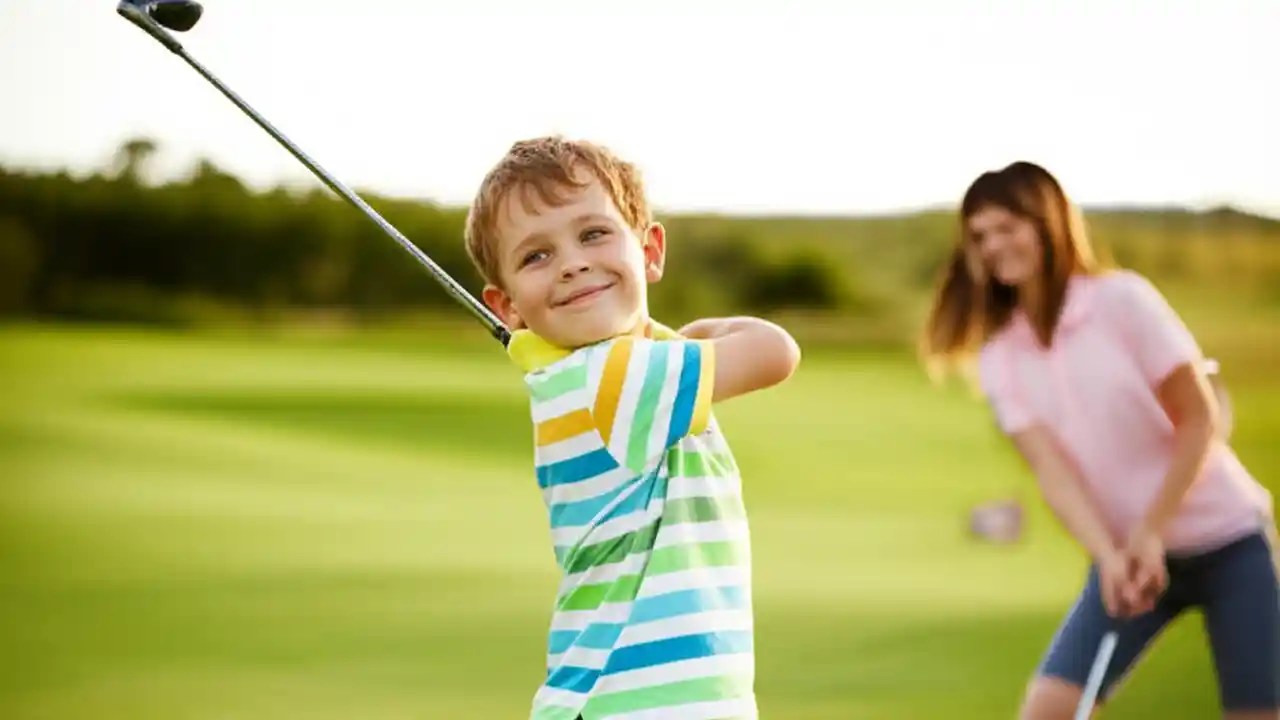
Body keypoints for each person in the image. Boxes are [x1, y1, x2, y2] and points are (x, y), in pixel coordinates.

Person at [921, 161, 1278, 719]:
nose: (993, 246)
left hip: (1228, 543)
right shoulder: (1000, 355)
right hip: (1125, 557)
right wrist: (1110, 556)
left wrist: (1151, 530)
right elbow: (1051, 472)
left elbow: (1200, 419)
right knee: (1047, 712)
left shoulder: (1123, 301)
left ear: (1048, 223)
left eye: (1007, 227)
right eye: (980, 236)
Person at [463, 136, 800, 719]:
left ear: (650, 249)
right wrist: (690, 332)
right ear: (507, 307)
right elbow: (776, 351)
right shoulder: (614, 380)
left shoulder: (589, 377)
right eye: (535, 256)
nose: (571, 262)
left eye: (593, 234)